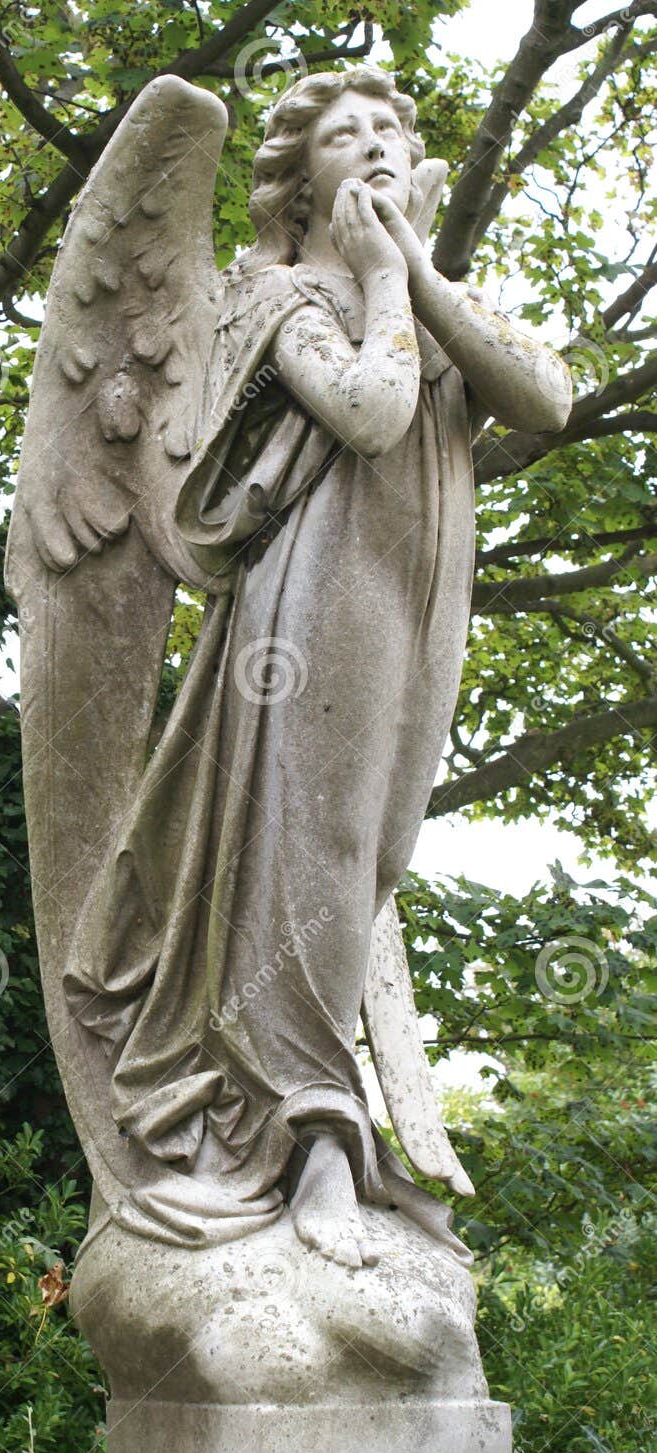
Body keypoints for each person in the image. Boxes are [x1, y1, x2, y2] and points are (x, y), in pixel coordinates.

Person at [65, 68, 571, 1266]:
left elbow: (546, 396)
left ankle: (316, 1132)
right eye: (350, 137)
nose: (383, 147)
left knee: (373, 851)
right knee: (318, 848)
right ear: (302, 187)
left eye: (396, 132)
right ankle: (317, 1157)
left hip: (419, 591)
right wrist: (388, 280)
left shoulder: (431, 300)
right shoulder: (280, 296)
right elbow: (371, 409)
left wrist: (420, 277)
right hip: (315, 602)